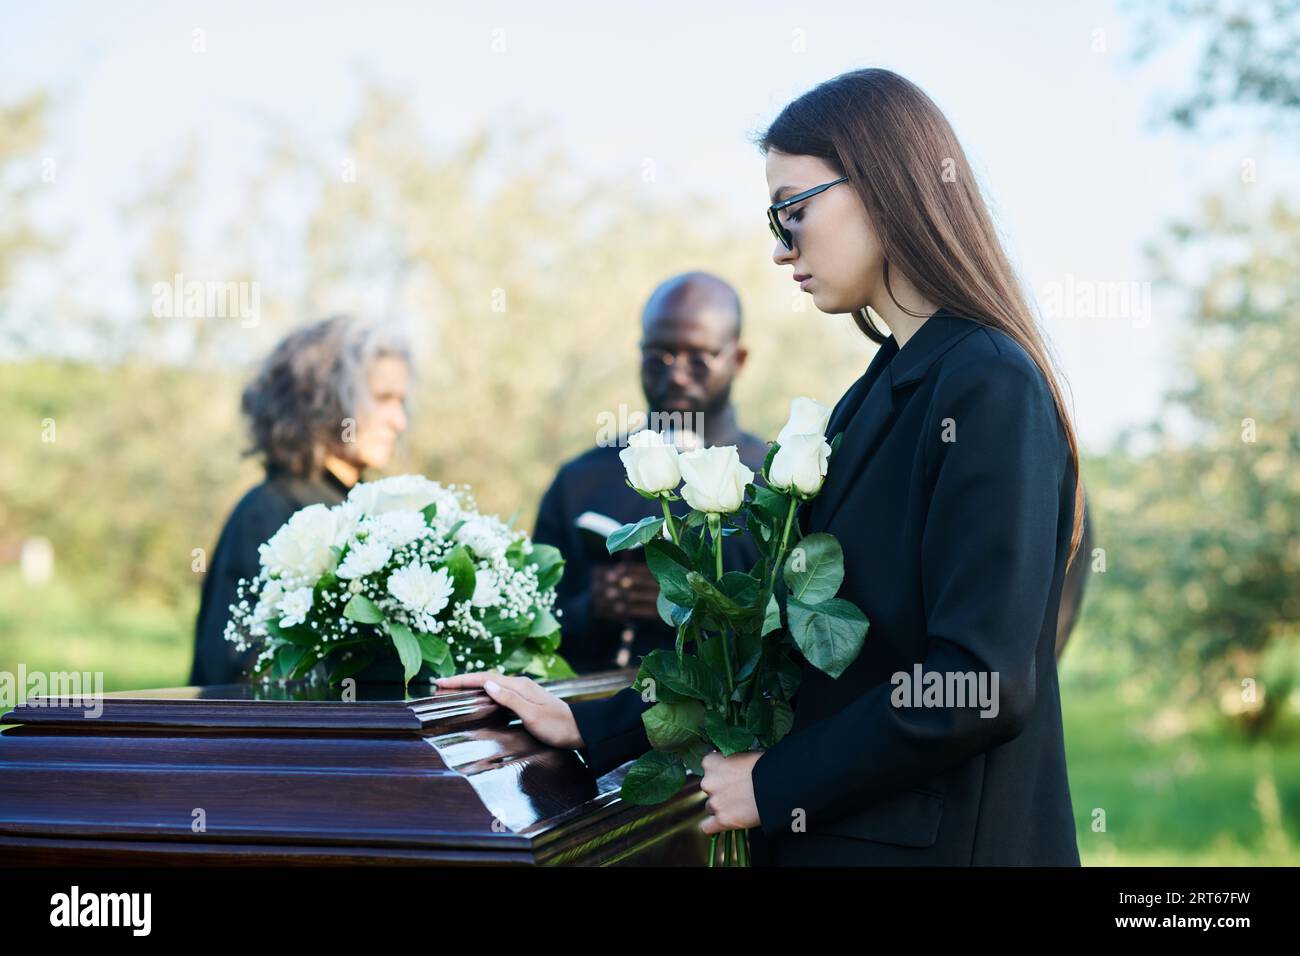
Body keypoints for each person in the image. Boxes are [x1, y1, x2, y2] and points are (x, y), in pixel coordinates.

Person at [438, 68, 1085, 865]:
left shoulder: (988, 383)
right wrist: (588, 725)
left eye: (793, 210)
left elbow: (980, 682)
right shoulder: (873, 395)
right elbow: (779, 647)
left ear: (881, 186)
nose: (781, 249)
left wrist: (778, 783)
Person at [531, 272, 768, 673]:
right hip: (584, 717)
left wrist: (695, 605)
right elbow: (528, 625)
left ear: (738, 359)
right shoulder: (580, 479)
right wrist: (593, 606)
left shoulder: (771, 480)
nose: (675, 374)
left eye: (698, 357)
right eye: (658, 356)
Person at [189, 316, 412, 687]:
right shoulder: (267, 512)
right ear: (323, 400)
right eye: (383, 399)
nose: (399, 421)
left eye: (402, 401)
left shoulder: (364, 509)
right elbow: (239, 676)